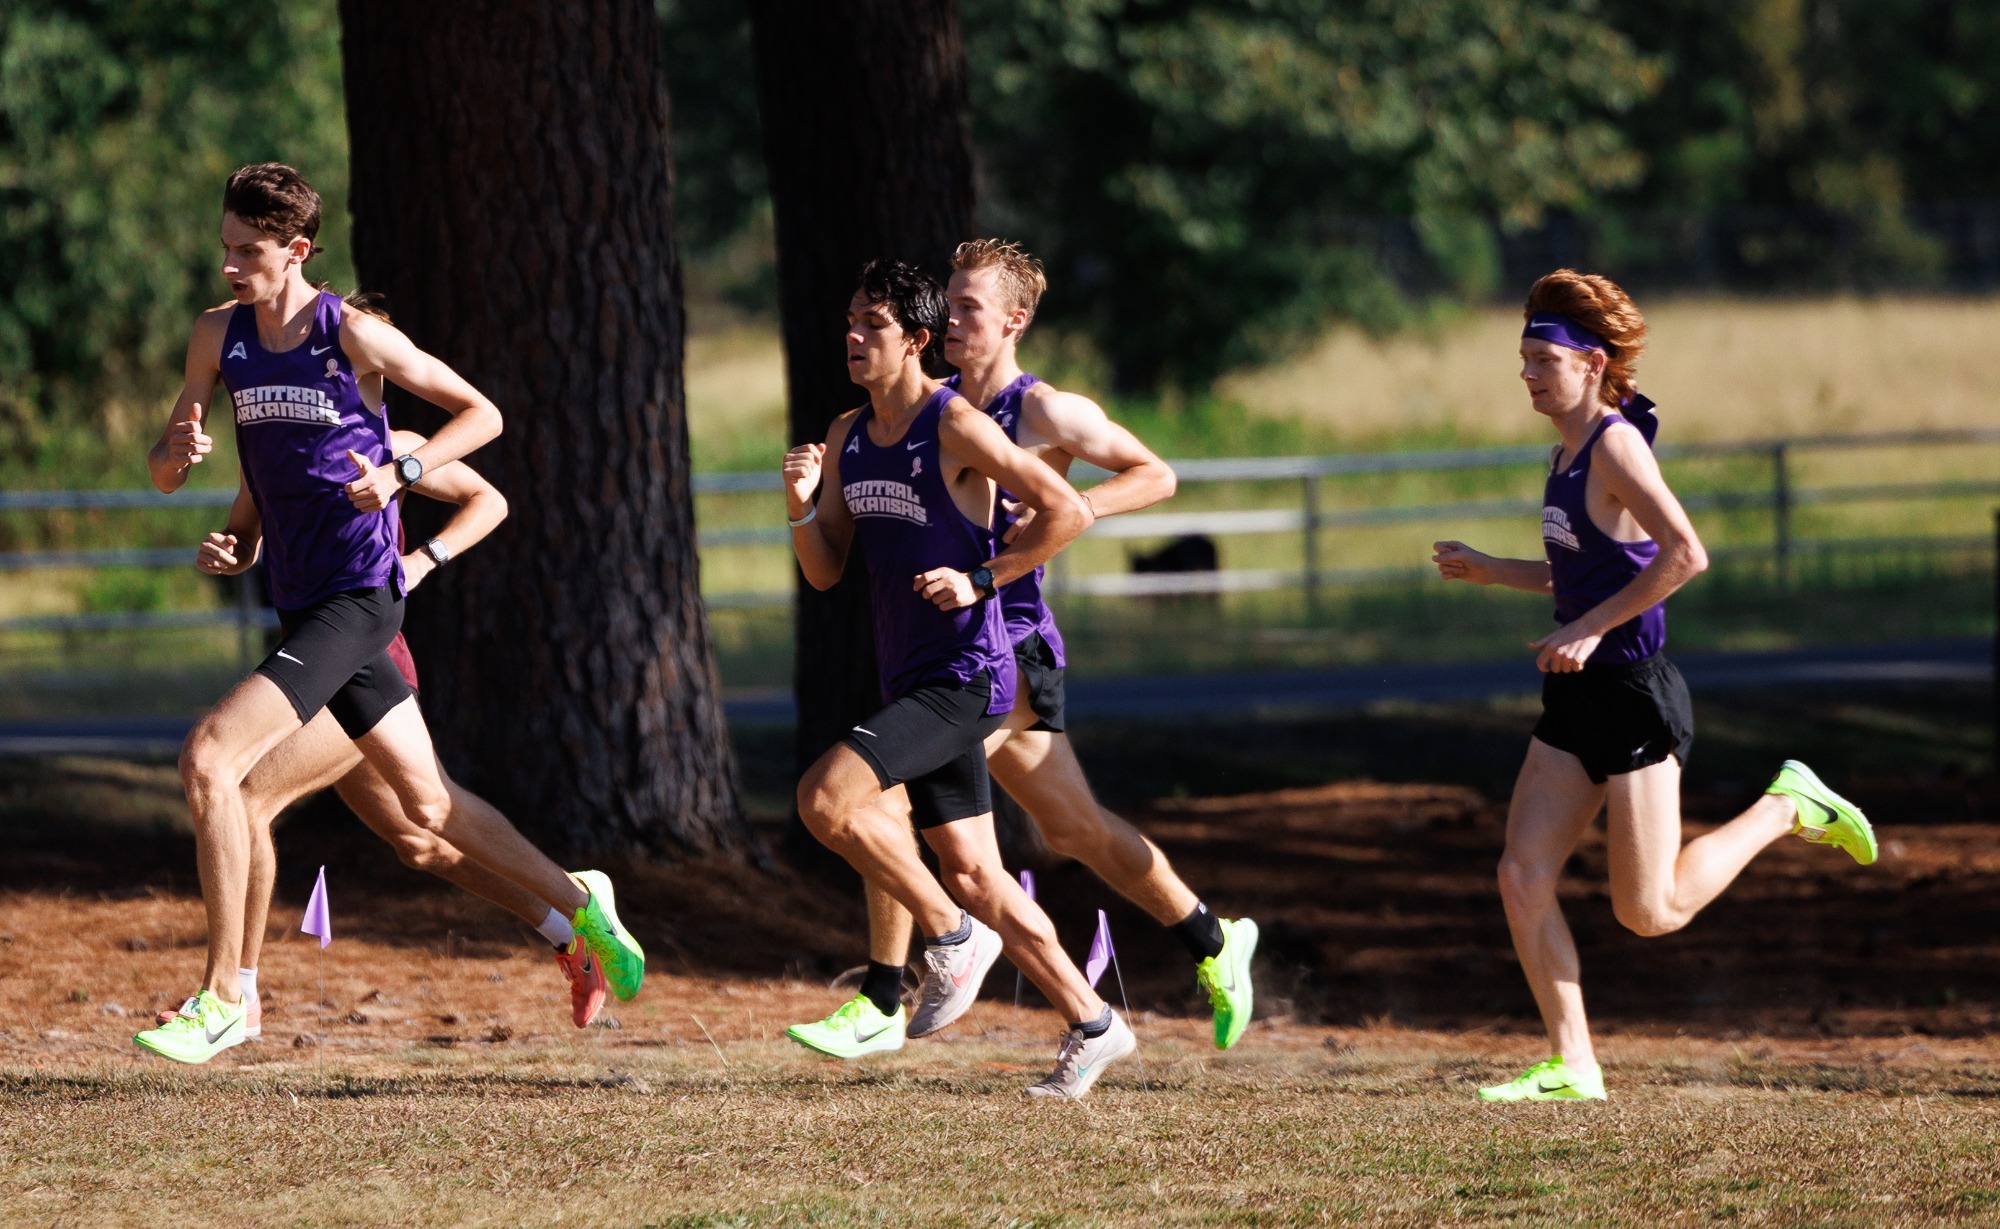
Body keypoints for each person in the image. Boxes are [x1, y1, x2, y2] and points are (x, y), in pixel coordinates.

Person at [133, 163, 642, 1064]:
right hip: (304, 608)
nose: (228, 268)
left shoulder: (355, 337)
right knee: (428, 811)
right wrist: (187, 471)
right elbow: (181, 470)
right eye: (224, 249)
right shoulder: (217, 337)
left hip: (363, 602)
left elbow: (479, 415)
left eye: (247, 252)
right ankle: (579, 904)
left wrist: (404, 478)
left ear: (295, 251)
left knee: (212, 761)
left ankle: (223, 997)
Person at [786, 240, 1258, 1062]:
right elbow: (834, 552)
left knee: (883, 804)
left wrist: (1029, 534)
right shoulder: (904, 414)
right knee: (1066, 833)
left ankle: (884, 993)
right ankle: (1194, 950)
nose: (957, 319)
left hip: (1007, 642)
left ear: (1014, 320)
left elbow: (1155, 476)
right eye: (951, 305)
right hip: (943, 640)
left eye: (971, 307)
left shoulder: (1034, 412)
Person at [1430, 268, 1878, 1103]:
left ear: (1592, 363)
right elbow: (1585, 575)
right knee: (1521, 876)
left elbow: (1686, 554)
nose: (1526, 373)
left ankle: (1788, 804)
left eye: (1541, 359)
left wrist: (1593, 628)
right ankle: (1574, 1063)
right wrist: (1493, 571)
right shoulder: (1563, 452)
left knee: (1651, 910)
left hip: (1634, 690)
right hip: (1576, 698)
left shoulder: (1615, 445)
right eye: (1522, 358)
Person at [784, 259, 1135, 1098]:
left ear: (914, 338)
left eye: (874, 323)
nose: (855, 337)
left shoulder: (956, 425)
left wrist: (985, 579)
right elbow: (826, 570)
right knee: (978, 873)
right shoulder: (845, 436)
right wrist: (801, 504)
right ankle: (1094, 1022)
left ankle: (947, 936)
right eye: (850, 322)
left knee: (826, 800)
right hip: (910, 673)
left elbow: (1063, 507)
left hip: (970, 674)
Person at [153, 423, 606, 1041]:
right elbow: (250, 532)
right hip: (315, 661)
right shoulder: (272, 437)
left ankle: (237, 996)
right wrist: (233, 552)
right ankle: (570, 931)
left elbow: (489, 500)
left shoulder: (391, 441)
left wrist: (423, 560)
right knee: (421, 842)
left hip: (367, 661)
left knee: (249, 795)